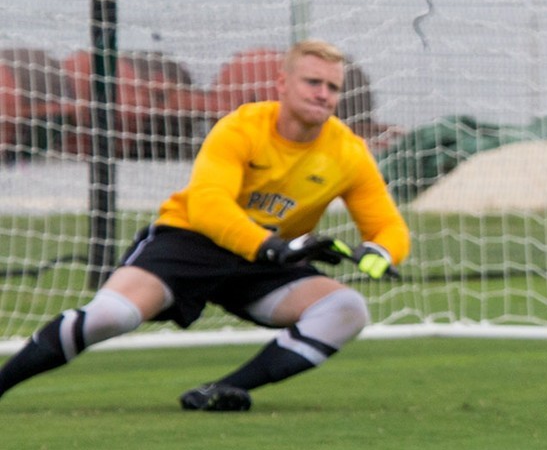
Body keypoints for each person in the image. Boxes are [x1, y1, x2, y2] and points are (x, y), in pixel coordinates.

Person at [0, 39, 409, 413]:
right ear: (282, 83)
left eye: (333, 88)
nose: (323, 94)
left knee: (346, 309)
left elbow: (388, 227)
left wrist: (379, 254)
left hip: (266, 258)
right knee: (111, 317)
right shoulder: (241, 127)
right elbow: (210, 206)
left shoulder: (349, 152)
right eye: (313, 82)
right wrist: (268, 246)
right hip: (192, 241)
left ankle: (221, 390)